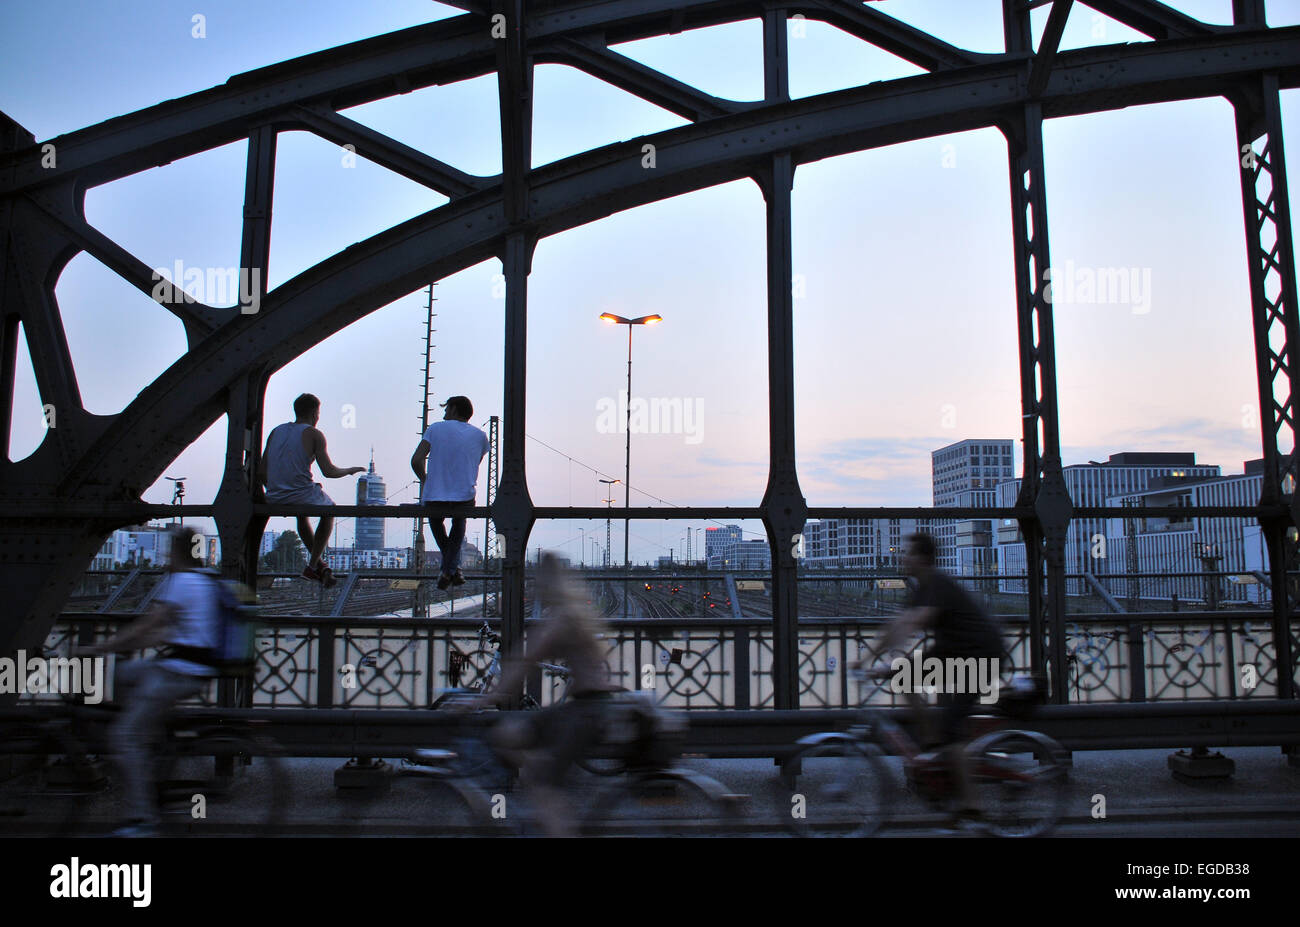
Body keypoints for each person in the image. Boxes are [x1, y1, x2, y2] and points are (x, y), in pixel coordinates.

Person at [850, 531, 1003, 826]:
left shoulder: (937, 584)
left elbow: (911, 623)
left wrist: (880, 659)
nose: (901, 557)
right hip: (953, 653)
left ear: (922, 558)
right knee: (904, 679)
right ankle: (932, 744)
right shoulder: (922, 587)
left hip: (980, 657)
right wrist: (873, 661)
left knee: (951, 728)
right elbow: (897, 624)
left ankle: (972, 806)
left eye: (907, 552)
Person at [79, 526, 222, 837]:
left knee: (123, 738)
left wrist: (101, 648)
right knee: (127, 674)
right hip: (192, 667)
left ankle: (142, 821)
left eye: (169, 550)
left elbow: (149, 625)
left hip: (179, 672)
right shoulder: (204, 582)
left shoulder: (181, 581)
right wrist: (126, 645)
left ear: (178, 552)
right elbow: (164, 632)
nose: (165, 555)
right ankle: (152, 739)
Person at [470, 552, 617, 837]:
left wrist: (486, 698)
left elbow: (524, 662)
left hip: (586, 712)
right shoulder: (576, 613)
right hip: (592, 707)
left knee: (541, 781)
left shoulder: (562, 620)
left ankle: (555, 820)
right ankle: (541, 805)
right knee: (510, 737)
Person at [259, 393, 364, 586]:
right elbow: (329, 471)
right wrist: (349, 470)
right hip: (301, 493)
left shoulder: (276, 432)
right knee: (329, 510)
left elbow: (261, 470)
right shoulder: (314, 434)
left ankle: (319, 565)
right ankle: (313, 564)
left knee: (303, 515)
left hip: (273, 496)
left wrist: (278, 489)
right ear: (315, 413)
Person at [410, 396, 488, 590]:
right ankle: (450, 569)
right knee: (458, 524)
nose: (444, 415)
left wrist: (426, 480)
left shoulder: (435, 429)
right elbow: (473, 465)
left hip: (435, 495)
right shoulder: (481, 436)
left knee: (436, 522)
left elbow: (416, 460)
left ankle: (450, 568)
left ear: (453, 409)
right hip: (464, 496)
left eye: (446, 410)